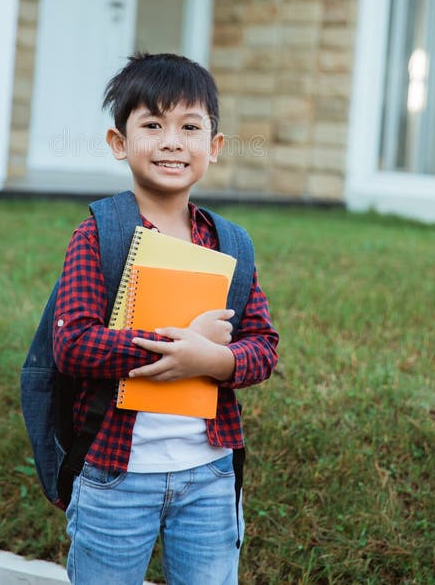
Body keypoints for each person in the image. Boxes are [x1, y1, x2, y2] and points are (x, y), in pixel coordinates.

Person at [53, 52, 279, 584]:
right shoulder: (100, 235)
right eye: (152, 125)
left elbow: (263, 345)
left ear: (214, 147)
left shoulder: (229, 244)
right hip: (115, 475)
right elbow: (73, 344)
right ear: (119, 142)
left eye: (190, 127)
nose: (172, 141)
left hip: (209, 476)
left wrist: (211, 359)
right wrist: (170, 348)